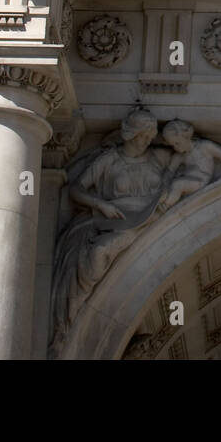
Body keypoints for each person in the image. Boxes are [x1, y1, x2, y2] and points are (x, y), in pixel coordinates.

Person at [51, 109, 172, 350]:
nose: (146, 141)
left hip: (149, 219)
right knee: (97, 253)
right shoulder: (109, 159)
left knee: (103, 251)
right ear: (130, 134)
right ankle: (71, 318)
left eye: (150, 137)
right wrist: (101, 205)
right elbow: (77, 189)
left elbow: (187, 156)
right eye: (142, 136)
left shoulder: (158, 158)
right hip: (114, 220)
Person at [158, 119, 221, 210]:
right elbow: (170, 171)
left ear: (185, 136)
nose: (175, 147)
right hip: (187, 179)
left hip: (200, 181)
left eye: (177, 143)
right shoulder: (180, 156)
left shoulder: (204, 146)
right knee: (175, 184)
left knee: (178, 184)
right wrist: (164, 182)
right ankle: (162, 199)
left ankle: (166, 205)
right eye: (172, 145)